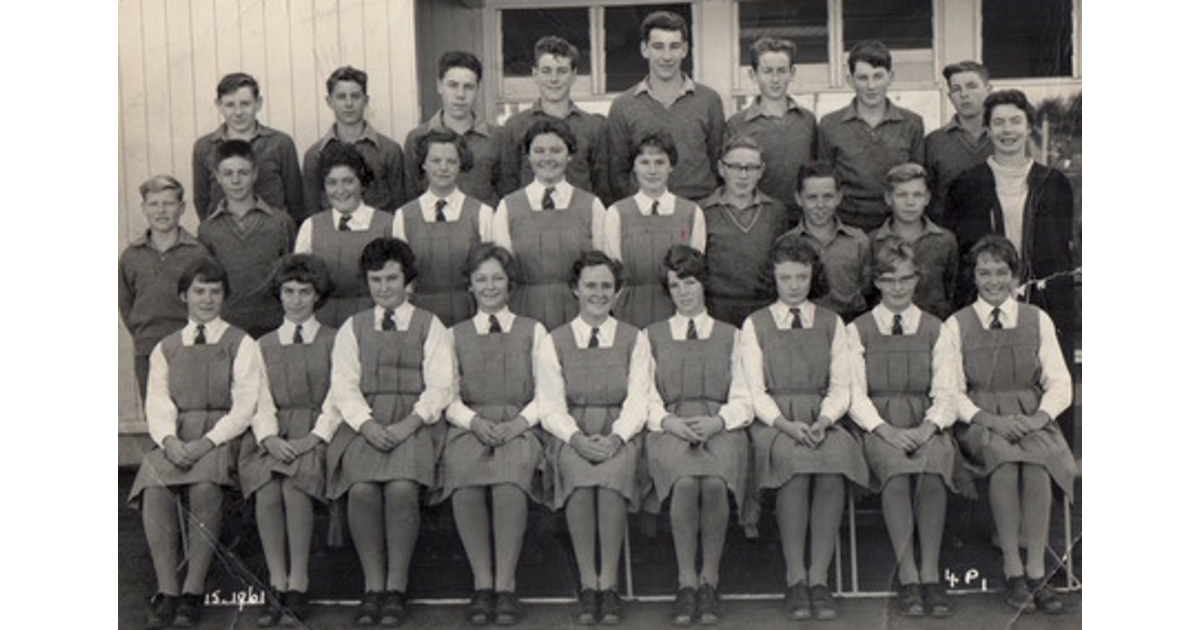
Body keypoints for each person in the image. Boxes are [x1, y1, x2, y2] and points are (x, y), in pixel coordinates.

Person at [934, 235, 1077, 614]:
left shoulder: (1036, 318)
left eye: (1001, 272)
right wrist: (991, 420)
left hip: (1031, 417)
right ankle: (1013, 570)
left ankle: (1036, 572)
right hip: (981, 420)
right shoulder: (956, 325)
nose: (994, 280)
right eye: (985, 272)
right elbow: (951, 392)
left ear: (1015, 277)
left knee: (1037, 468)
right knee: (1004, 462)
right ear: (974, 277)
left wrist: (1039, 419)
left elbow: (1060, 382)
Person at [128, 259, 263, 629]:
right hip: (179, 433)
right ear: (183, 296)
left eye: (215, 292)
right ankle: (167, 590)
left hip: (223, 433)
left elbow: (246, 404)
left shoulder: (241, 343)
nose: (206, 300)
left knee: (205, 486)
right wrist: (169, 440)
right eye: (199, 292)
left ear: (225, 297)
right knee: (156, 490)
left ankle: (193, 589)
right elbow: (157, 401)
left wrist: (208, 441)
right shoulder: (166, 347)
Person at [325, 237, 454, 626]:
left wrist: (407, 425)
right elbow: (343, 386)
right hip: (364, 423)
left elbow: (440, 386)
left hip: (414, 422)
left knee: (400, 489)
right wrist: (366, 424)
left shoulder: (430, 325)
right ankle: (372, 586)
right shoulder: (352, 327)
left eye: (392, 278)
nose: (384, 288)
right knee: (362, 490)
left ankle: (396, 586)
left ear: (408, 281)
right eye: (376, 279)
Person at [741, 237, 868, 622]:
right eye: (785, 277)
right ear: (773, 279)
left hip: (821, 418)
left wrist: (825, 420)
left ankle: (819, 579)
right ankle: (795, 577)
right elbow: (754, 390)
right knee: (794, 473)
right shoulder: (755, 324)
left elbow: (841, 386)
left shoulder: (832, 323)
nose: (794, 285)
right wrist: (785, 424)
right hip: (774, 421)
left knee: (831, 469)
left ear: (813, 277)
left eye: (801, 276)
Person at [846, 237, 960, 618]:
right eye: (889, 279)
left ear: (917, 280)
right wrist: (885, 430)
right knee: (896, 474)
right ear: (876, 281)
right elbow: (855, 394)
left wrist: (929, 427)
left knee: (932, 472)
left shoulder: (936, 328)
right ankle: (907, 575)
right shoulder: (857, 330)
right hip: (879, 424)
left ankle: (930, 572)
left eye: (906, 279)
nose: (898, 287)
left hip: (926, 420)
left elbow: (947, 390)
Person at [535, 251, 650, 626]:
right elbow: (549, 404)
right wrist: (576, 438)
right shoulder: (555, 340)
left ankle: (610, 585)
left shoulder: (636, 338)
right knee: (582, 482)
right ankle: (589, 584)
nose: (598, 294)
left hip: (621, 430)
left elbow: (639, 399)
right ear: (575, 289)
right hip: (572, 432)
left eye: (606, 286)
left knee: (613, 480)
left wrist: (616, 439)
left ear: (618, 293)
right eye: (590, 286)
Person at [435, 244, 548, 626]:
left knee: (508, 486)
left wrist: (520, 423)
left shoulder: (534, 331)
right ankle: (482, 583)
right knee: (465, 485)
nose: (490, 286)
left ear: (510, 283)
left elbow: (547, 392)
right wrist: (473, 422)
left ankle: (505, 585)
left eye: (497, 278)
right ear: (469, 285)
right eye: (481, 279)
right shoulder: (453, 335)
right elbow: (446, 395)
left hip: (519, 425)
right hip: (471, 426)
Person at [642, 245, 753, 626]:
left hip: (721, 425)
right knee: (687, 483)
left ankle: (711, 581)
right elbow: (645, 395)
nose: (684, 292)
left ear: (703, 284)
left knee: (715, 485)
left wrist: (720, 422)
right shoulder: (651, 336)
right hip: (671, 426)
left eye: (690, 282)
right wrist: (668, 422)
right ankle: (686, 581)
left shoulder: (732, 335)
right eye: (675, 285)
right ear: (668, 290)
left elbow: (745, 395)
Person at [237, 254, 340, 627]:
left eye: (304, 292)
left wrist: (315, 437)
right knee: (267, 490)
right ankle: (276, 582)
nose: (296, 300)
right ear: (279, 294)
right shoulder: (261, 345)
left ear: (317, 295)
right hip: (274, 435)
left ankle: (299, 582)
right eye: (289, 291)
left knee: (295, 488)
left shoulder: (335, 339)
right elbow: (257, 397)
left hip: (317, 433)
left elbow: (339, 394)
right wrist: (268, 436)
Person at [942, 89, 1076, 356]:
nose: (1008, 130)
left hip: (1041, 303)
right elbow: (961, 254)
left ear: (1029, 128)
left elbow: (1062, 253)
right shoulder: (966, 184)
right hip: (984, 302)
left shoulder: (1054, 184)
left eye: (1015, 121)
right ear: (988, 131)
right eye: (999, 122)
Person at [492, 119, 606, 330]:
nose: (547, 158)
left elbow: (603, 269)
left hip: (579, 312)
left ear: (569, 154)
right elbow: (501, 271)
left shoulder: (591, 206)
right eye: (539, 150)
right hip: (524, 311)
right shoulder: (508, 207)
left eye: (556, 150)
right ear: (528, 156)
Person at [607, 10, 725, 201]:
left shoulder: (709, 100)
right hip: (646, 210)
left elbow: (718, 162)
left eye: (674, 46)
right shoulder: (623, 106)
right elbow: (617, 172)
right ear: (645, 49)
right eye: (658, 47)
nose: (667, 56)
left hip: (699, 206)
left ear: (685, 49)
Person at [120, 175, 213, 398]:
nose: (161, 211)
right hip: (148, 348)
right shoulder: (131, 256)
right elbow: (126, 304)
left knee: (192, 413)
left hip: (190, 347)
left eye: (168, 203)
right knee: (157, 415)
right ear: (144, 208)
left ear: (181, 208)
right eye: (154, 204)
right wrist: (145, 333)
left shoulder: (198, 253)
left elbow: (208, 301)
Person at [818, 40, 924, 232]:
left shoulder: (912, 123)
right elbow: (825, 183)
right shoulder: (829, 125)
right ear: (850, 80)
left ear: (890, 77)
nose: (871, 85)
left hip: (896, 226)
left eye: (878, 76)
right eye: (863, 78)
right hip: (846, 226)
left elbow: (918, 181)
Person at [603, 131, 706, 328]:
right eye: (644, 162)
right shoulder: (616, 213)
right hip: (630, 309)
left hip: (676, 308)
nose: (652, 170)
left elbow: (695, 274)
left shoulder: (691, 213)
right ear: (634, 166)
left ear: (671, 166)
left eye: (660, 162)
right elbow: (612, 270)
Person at [395, 129, 494, 327]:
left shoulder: (482, 213)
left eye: (451, 161)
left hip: (469, 311)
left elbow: (491, 270)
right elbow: (401, 279)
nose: (443, 168)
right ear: (423, 164)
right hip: (420, 312)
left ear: (461, 165)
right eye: (435, 161)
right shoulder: (404, 216)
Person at [198, 139, 297, 338]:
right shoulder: (207, 229)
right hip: (226, 328)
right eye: (228, 174)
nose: (236, 181)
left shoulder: (281, 223)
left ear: (255, 174)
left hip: (274, 327)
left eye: (243, 173)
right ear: (217, 177)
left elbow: (292, 277)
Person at [498, 36, 610, 204]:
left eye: (562, 71)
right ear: (535, 74)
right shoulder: (515, 126)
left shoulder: (594, 127)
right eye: (546, 71)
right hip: (530, 223)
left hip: (580, 222)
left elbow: (601, 187)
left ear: (573, 76)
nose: (554, 79)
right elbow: (508, 184)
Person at [295, 141, 393, 329]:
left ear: (362, 183)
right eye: (332, 183)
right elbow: (300, 284)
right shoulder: (311, 226)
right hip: (324, 324)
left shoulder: (387, 224)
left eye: (348, 181)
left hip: (373, 322)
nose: (340, 191)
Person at [725, 36, 818, 227]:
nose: (775, 79)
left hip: (803, 218)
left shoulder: (807, 120)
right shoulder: (737, 125)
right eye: (767, 71)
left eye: (781, 71)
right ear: (753, 74)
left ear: (792, 73)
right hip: (757, 219)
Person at [699, 137, 790, 327]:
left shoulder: (775, 211)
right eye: (734, 167)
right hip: (717, 309)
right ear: (721, 169)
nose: (743, 175)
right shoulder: (702, 211)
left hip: (764, 307)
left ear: (761, 171)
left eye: (751, 167)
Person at [193, 72, 304, 223]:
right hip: (223, 236)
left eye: (245, 104)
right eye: (230, 105)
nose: (238, 112)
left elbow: (295, 201)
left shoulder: (280, 143)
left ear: (258, 103)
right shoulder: (204, 147)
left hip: (270, 233)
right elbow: (202, 201)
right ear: (219, 105)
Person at [302, 66, 406, 216]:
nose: (349, 103)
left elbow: (399, 208)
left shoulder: (389, 150)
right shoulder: (315, 155)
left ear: (366, 100)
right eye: (341, 97)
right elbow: (312, 213)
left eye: (355, 96)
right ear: (329, 101)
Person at [777, 162, 872, 322]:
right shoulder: (786, 243)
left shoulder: (858, 241)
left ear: (839, 197)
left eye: (828, 196)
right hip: (805, 324)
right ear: (799, 198)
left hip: (850, 321)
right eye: (812, 197)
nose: (820, 205)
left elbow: (866, 287)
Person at [404, 51, 501, 206]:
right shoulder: (417, 137)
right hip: (434, 226)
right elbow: (411, 196)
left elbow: (506, 195)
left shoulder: (497, 137)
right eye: (453, 85)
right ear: (439, 86)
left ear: (478, 89)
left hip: (483, 227)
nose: (460, 95)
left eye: (468, 87)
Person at [870, 163, 958, 320]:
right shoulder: (873, 242)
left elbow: (952, 290)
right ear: (889, 198)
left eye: (917, 195)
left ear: (927, 198)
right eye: (902, 195)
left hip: (935, 326)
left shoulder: (945, 241)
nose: (910, 203)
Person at [924, 61, 993, 223]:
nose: (964, 94)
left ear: (989, 90)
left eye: (972, 86)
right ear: (949, 97)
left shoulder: (1005, 139)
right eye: (956, 89)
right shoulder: (934, 142)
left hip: (997, 239)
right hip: (949, 238)